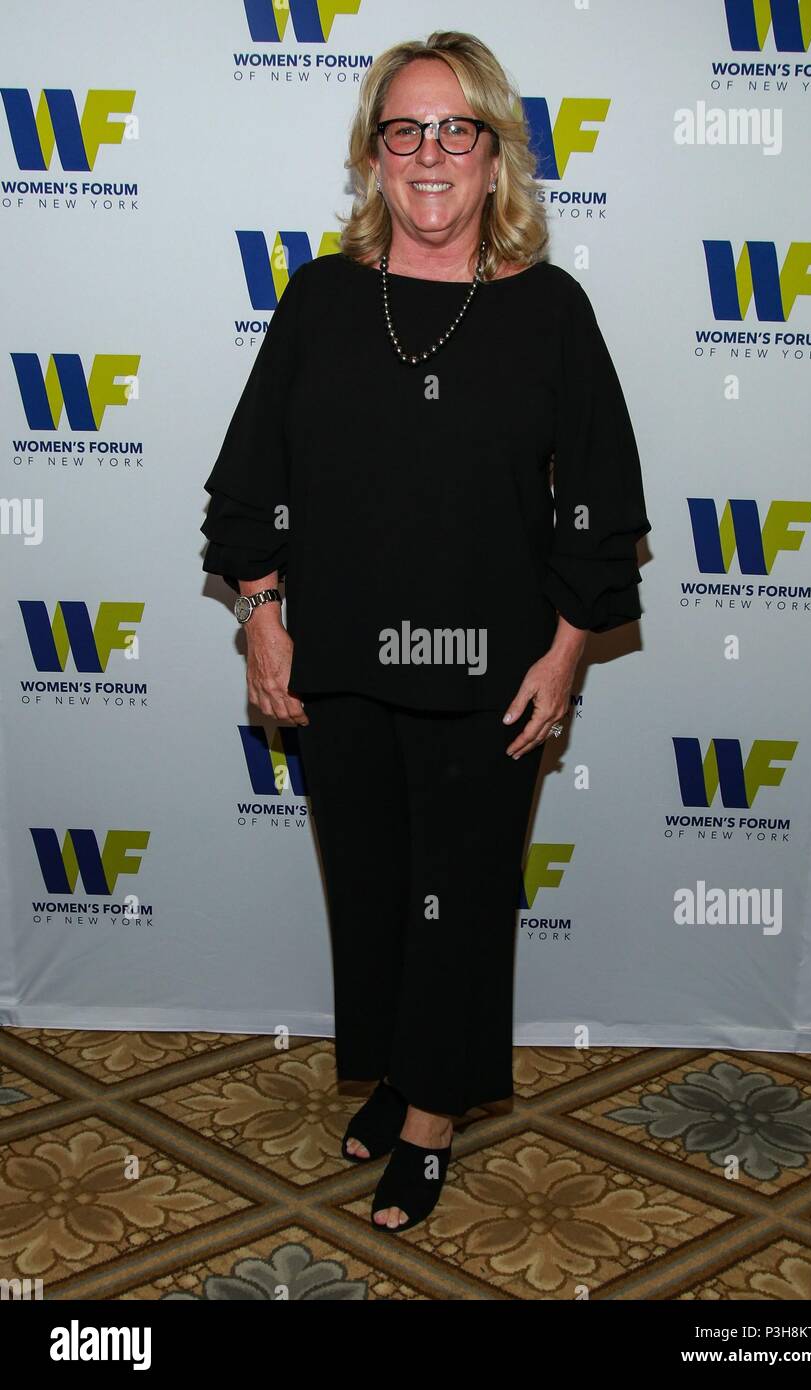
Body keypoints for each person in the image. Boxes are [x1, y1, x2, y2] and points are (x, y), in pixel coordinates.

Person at [200, 30, 651, 1234]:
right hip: (342, 669)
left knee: (455, 896)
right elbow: (248, 485)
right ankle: (401, 1068)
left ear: (496, 156)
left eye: (458, 129)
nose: (431, 153)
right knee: (377, 890)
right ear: (372, 158)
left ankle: (433, 1120)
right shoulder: (322, 298)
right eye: (405, 130)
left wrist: (564, 653)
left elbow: (599, 504)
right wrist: (259, 616)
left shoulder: (550, 312)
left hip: (489, 680)